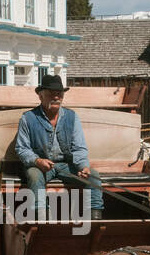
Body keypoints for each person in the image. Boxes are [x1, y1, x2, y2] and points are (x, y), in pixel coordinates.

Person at [14, 74, 104, 220]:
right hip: (39, 166)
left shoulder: (71, 117)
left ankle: (94, 220)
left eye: (59, 94)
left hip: (66, 165)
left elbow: (79, 147)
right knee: (34, 175)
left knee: (93, 176)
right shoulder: (28, 118)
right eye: (51, 94)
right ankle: (43, 219)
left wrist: (83, 167)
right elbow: (22, 149)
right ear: (41, 96)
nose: (56, 97)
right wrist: (37, 161)